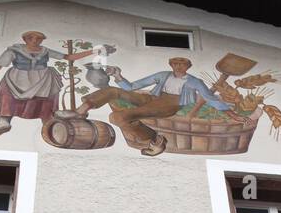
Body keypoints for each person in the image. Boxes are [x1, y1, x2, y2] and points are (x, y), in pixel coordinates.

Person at [59, 57, 247, 156]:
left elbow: (210, 98)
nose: (179, 66)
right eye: (176, 63)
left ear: (188, 66)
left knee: (118, 117)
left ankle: (155, 141)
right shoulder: (163, 74)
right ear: (171, 64)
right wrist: (118, 74)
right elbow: (133, 87)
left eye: (183, 64)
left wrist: (233, 115)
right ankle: (79, 112)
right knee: (111, 90)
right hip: (154, 98)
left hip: (169, 105)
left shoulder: (194, 81)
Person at [0, 31, 96, 137]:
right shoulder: (13, 51)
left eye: (38, 38)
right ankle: (3, 123)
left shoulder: (45, 51)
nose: (35, 41)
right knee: (8, 97)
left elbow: (68, 57)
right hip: (17, 78)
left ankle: (49, 123)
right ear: (25, 39)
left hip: (42, 78)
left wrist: (93, 51)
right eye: (31, 38)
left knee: (45, 102)